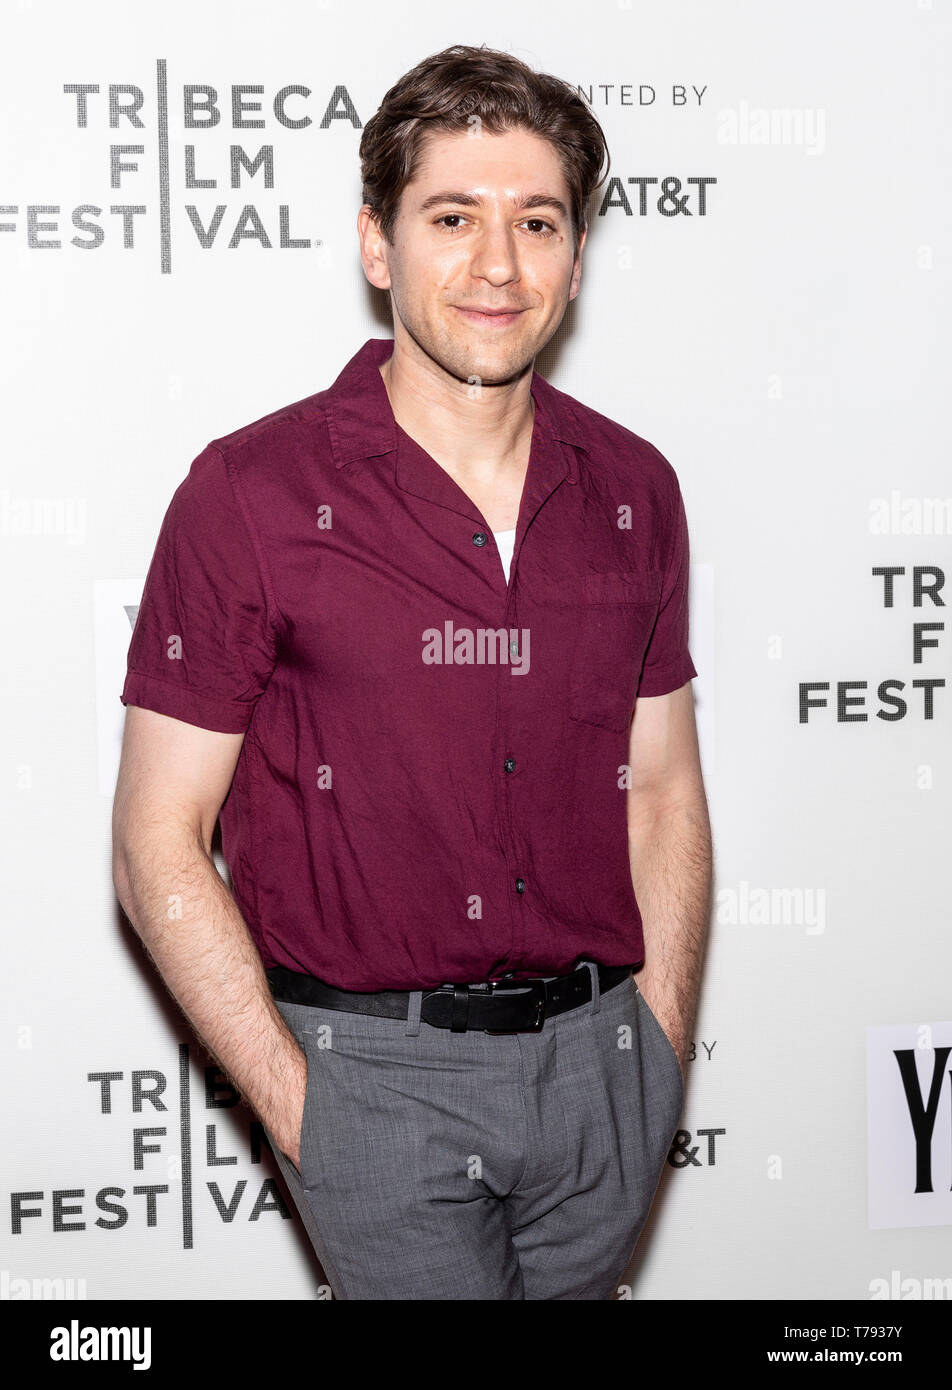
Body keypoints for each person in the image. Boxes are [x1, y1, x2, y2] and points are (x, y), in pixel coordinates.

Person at [112, 42, 713, 1301]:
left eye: (536, 222)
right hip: (371, 1080)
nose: (498, 264)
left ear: (577, 255)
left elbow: (659, 792)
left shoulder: (633, 493)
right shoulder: (252, 495)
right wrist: (304, 1108)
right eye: (453, 217)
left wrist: (654, 1052)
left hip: (602, 1073)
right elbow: (158, 841)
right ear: (377, 246)